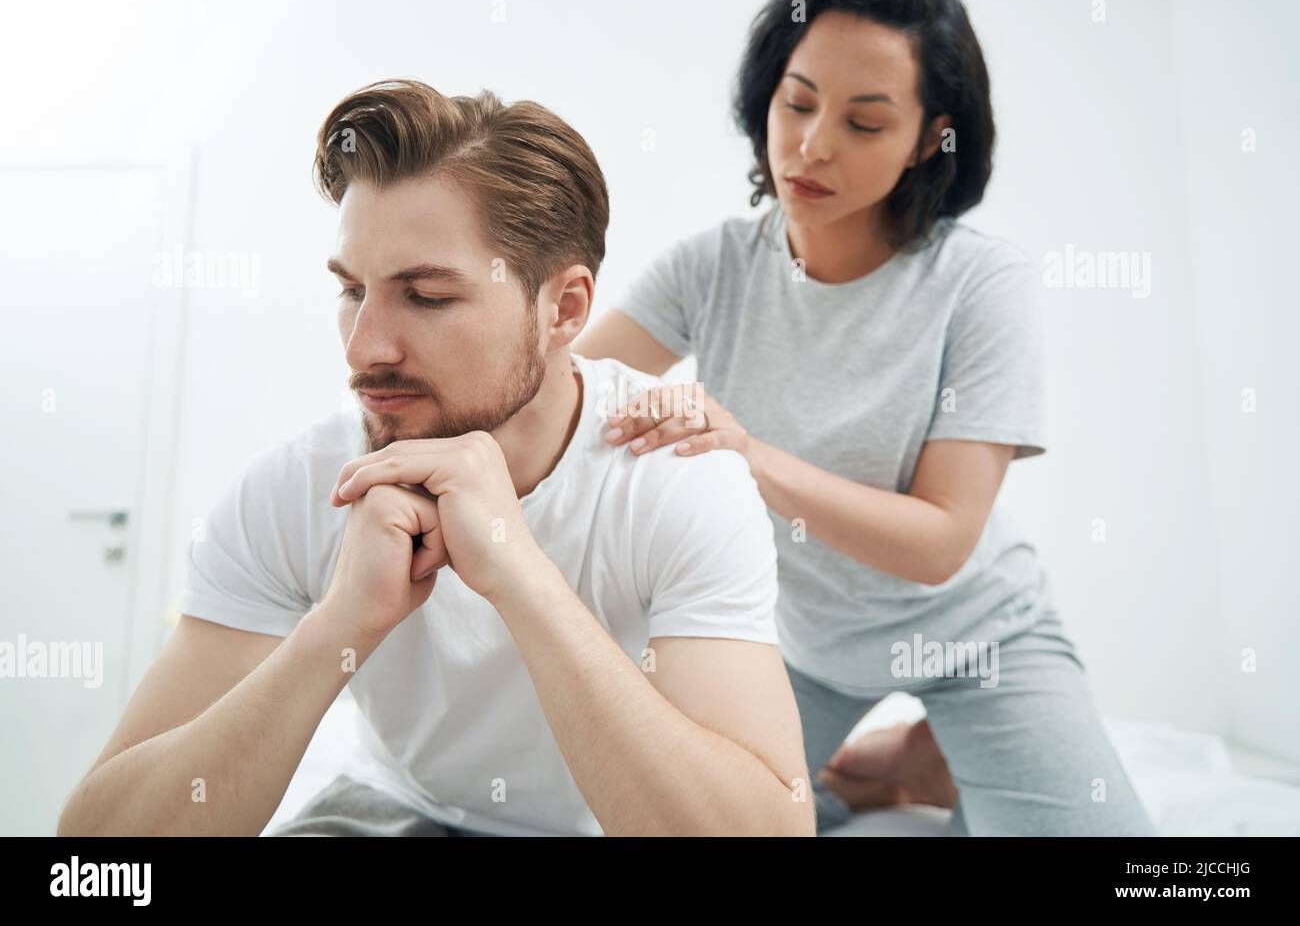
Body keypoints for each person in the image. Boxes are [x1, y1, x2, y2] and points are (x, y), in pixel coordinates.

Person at [56, 79, 815, 838]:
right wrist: (340, 625)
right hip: (390, 812)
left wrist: (517, 570)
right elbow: (97, 859)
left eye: (424, 297)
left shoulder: (674, 476)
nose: (364, 350)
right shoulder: (299, 489)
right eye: (354, 291)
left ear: (566, 309)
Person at [576, 0, 1155, 835]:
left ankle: (928, 751)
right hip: (801, 650)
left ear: (930, 139)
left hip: (976, 642)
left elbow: (940, 543)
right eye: (797, 103)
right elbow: (563, 391)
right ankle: (883, 776)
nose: (811, 147)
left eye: (865, 122)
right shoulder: (713, 266)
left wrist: (747, 453)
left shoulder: (979, 283)